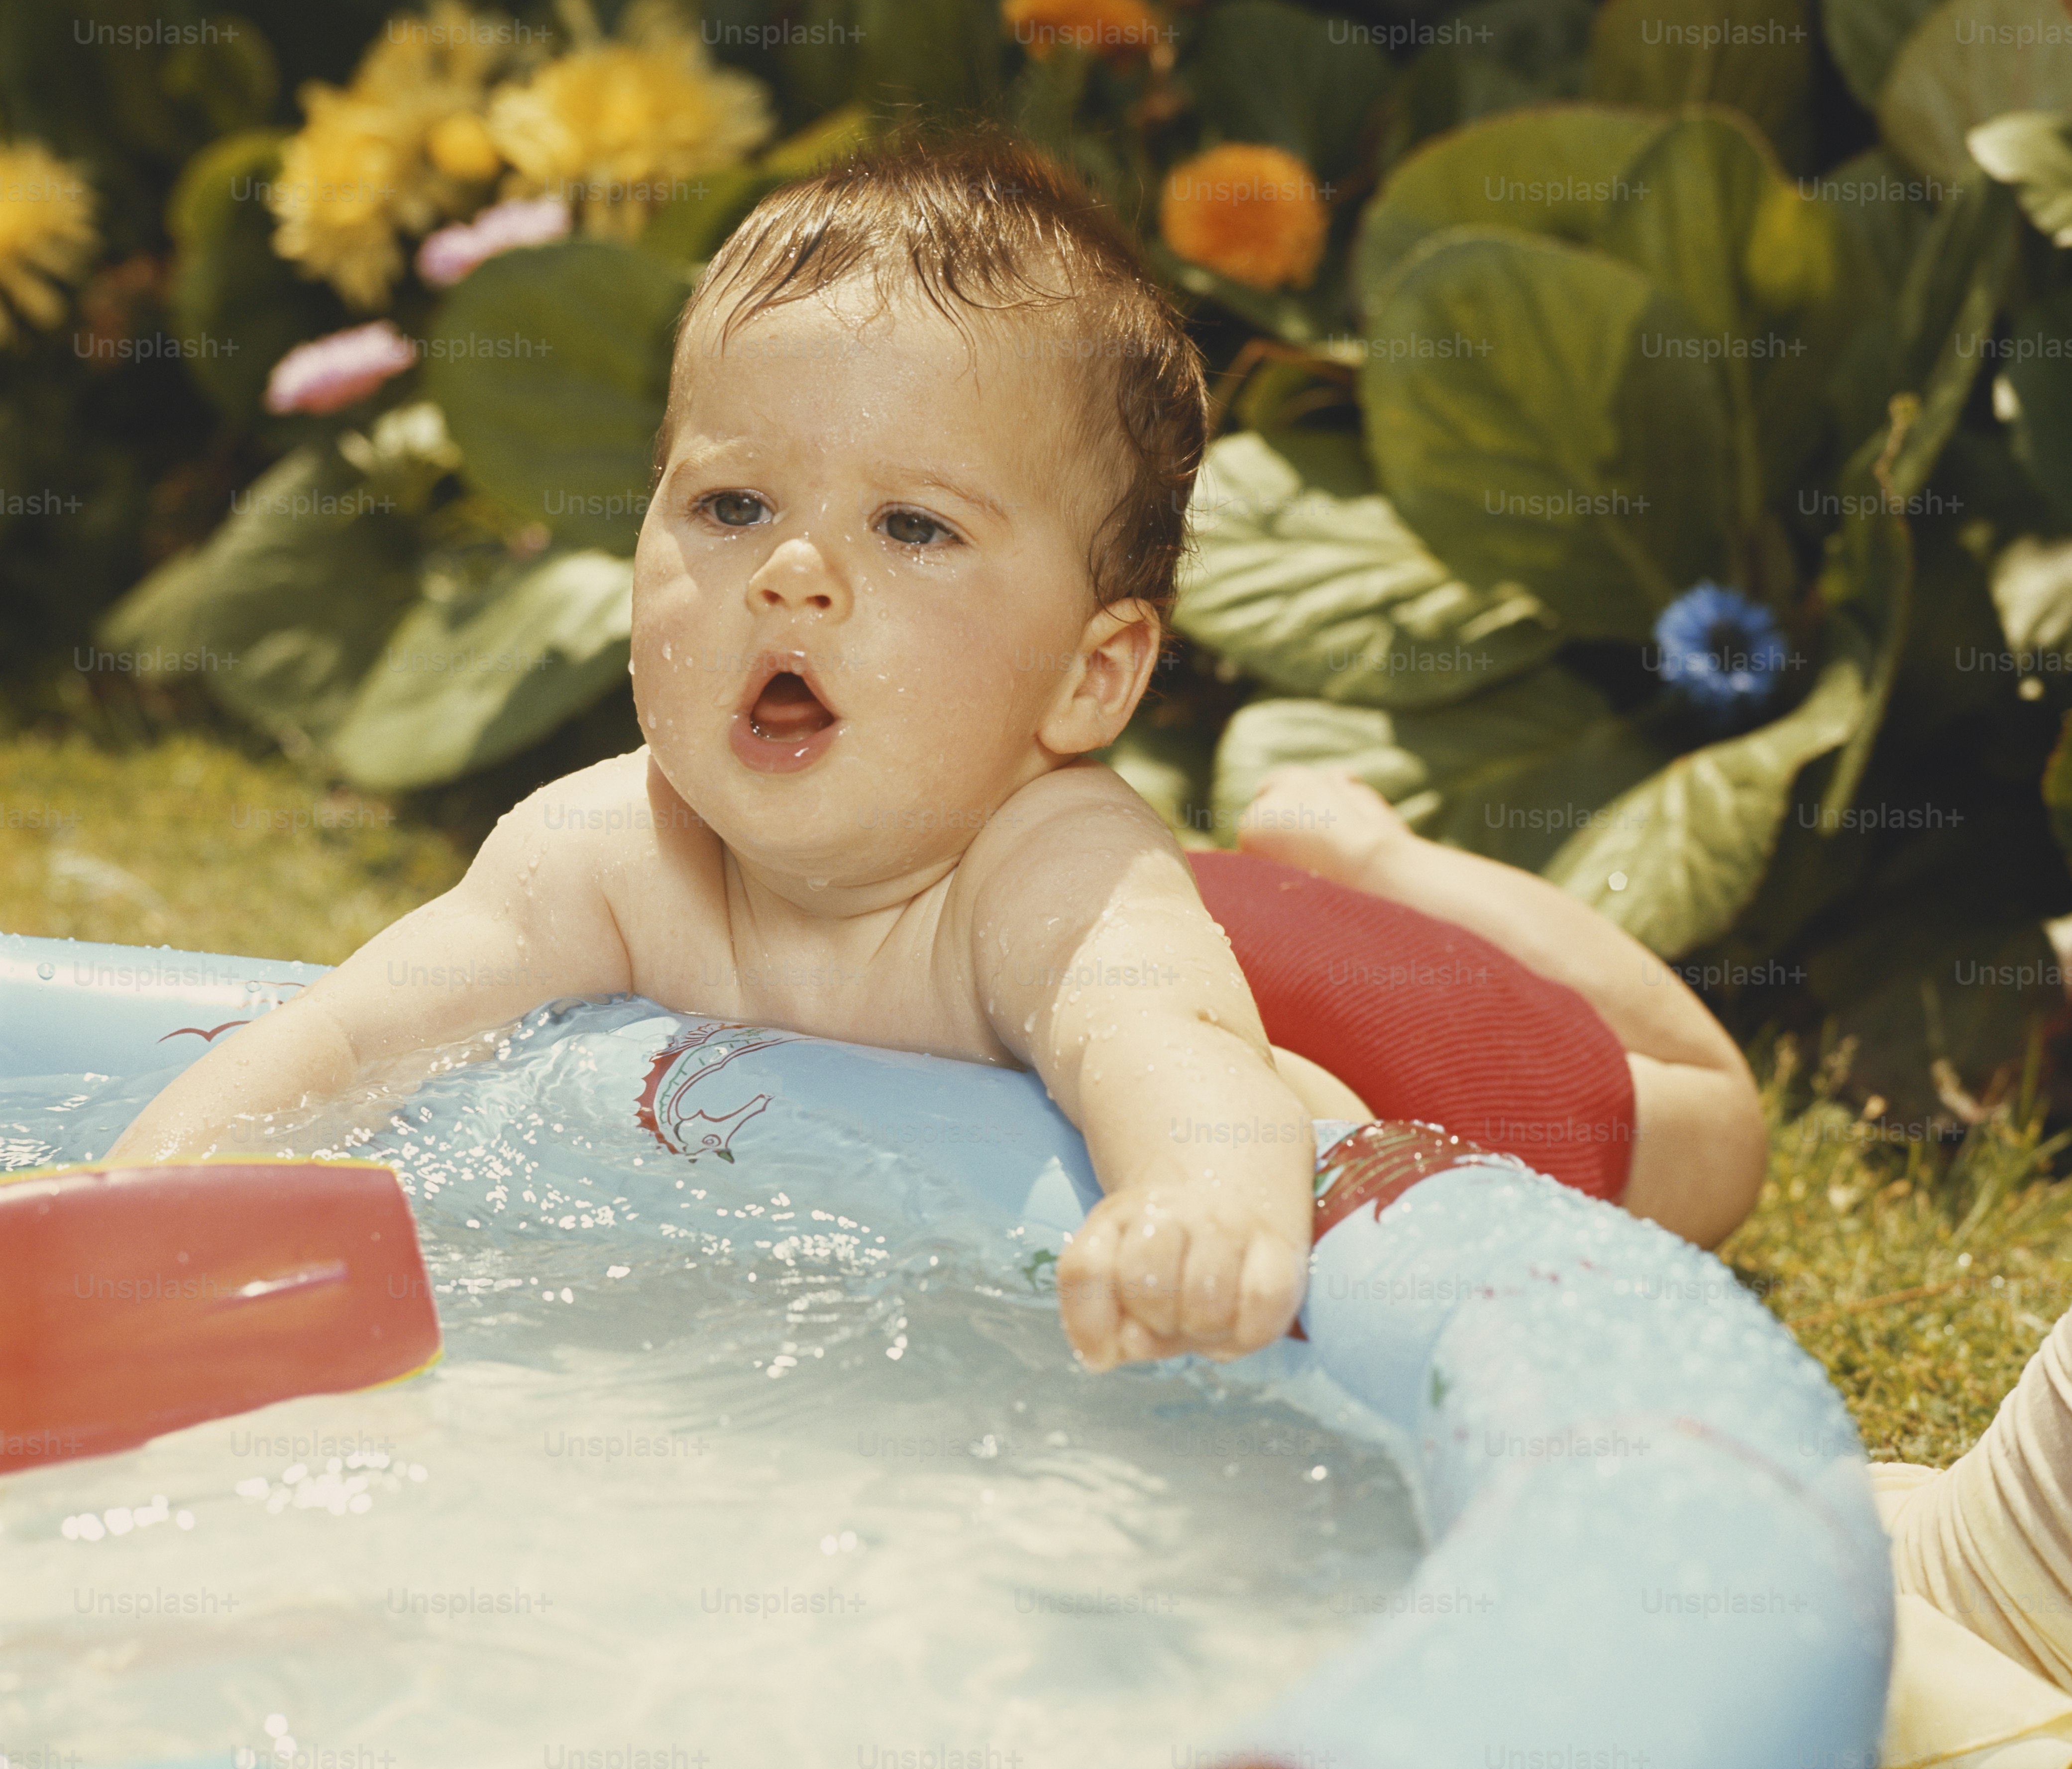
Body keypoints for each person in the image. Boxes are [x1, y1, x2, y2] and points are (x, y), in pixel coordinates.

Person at [107, 131, 1766, 1369]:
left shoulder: (1049, 866)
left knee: (1707, 1137)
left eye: (910, 525)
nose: (792, 568)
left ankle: (1382, 858)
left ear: (1090, 675)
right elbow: (341, 1034)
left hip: (1370, 1037)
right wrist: (135, 1202)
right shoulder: (600, 846)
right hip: (1204, 936)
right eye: (731, 502)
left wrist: (1195, 1207)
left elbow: (1174, 1056)